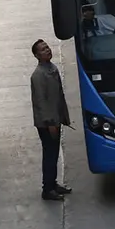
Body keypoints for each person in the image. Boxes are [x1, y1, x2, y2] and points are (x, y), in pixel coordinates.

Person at [29, 39, 72, 201]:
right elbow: (41, 103)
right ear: (36, 56)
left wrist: (63, 117)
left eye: (47, 47)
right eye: (42, 49)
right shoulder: (38, 75)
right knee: (49, 154)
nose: (47, 50)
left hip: (55, 119)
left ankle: (52, 184)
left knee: (54, 154)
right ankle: (47, 189)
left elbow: (58, 97)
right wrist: (50, 123)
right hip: (47, 123)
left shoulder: (52, 69)